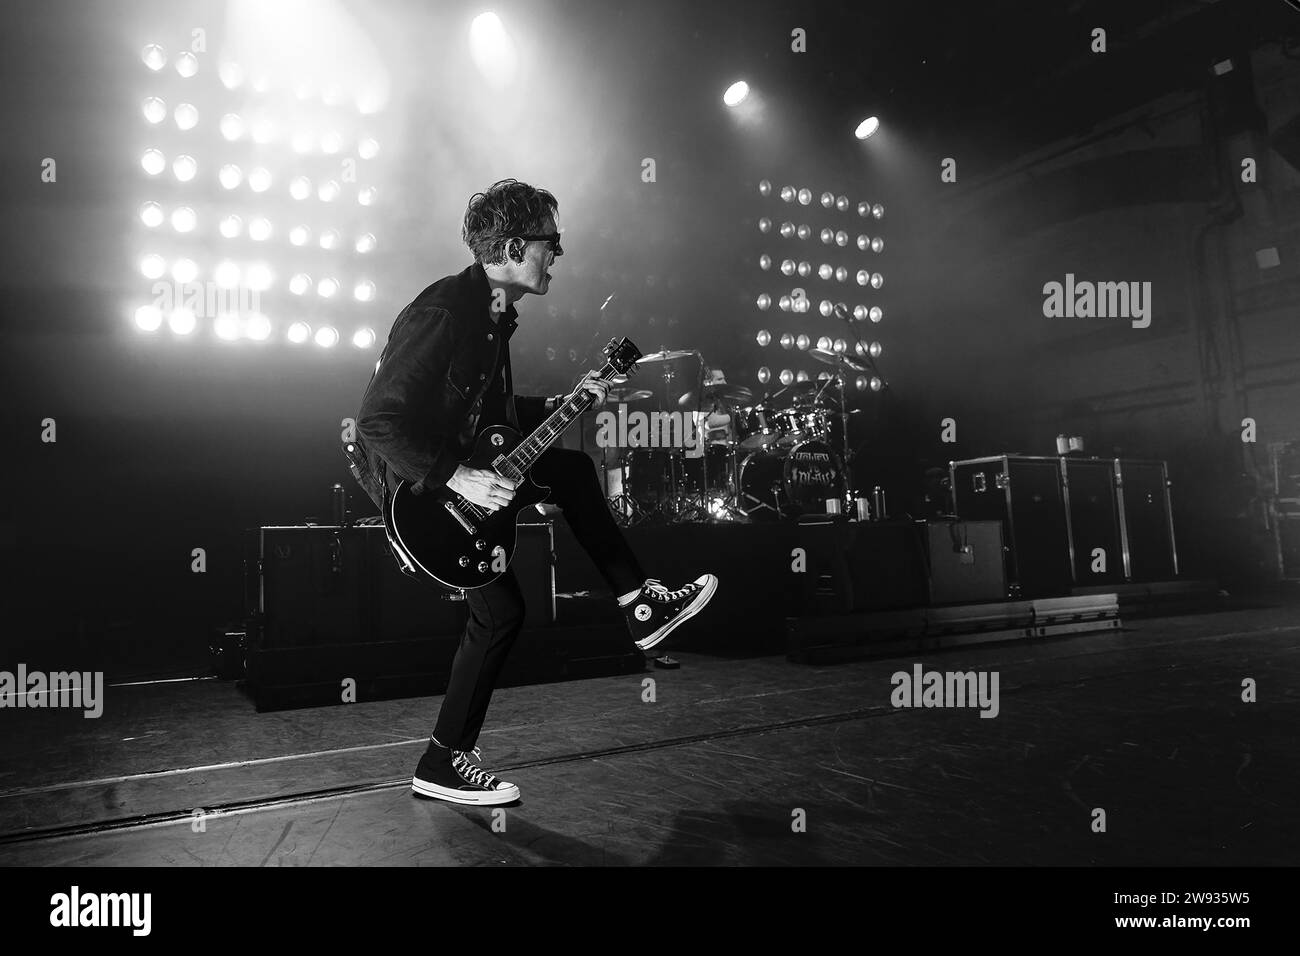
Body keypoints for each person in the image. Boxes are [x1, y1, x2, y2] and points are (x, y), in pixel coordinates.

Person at [351, 179, 718, 806]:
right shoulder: (445, 311)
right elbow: (378, 422)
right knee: (507, 597)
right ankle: (444, 761)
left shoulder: (495, 316)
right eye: (552, 241)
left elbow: (486, 414)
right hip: (424, 497)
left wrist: (558, 403)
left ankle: (638, 604)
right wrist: (458, 476)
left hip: (464, 477)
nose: (560, 254)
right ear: (515, 245)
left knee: (561, 492)